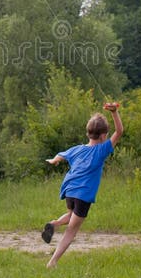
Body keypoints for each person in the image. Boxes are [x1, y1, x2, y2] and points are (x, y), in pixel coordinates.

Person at [41, 102, 123, 268]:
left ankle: (54, 224)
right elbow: (120, 131)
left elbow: (60, 155)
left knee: (71, 215)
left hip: (70, 189)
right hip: (83, 193)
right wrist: (114, 112)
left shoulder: (77, 149)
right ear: (103, 136)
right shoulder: (101, 150)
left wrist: (54, 160)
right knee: (72, 230)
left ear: (88, 133)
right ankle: (53, 262)